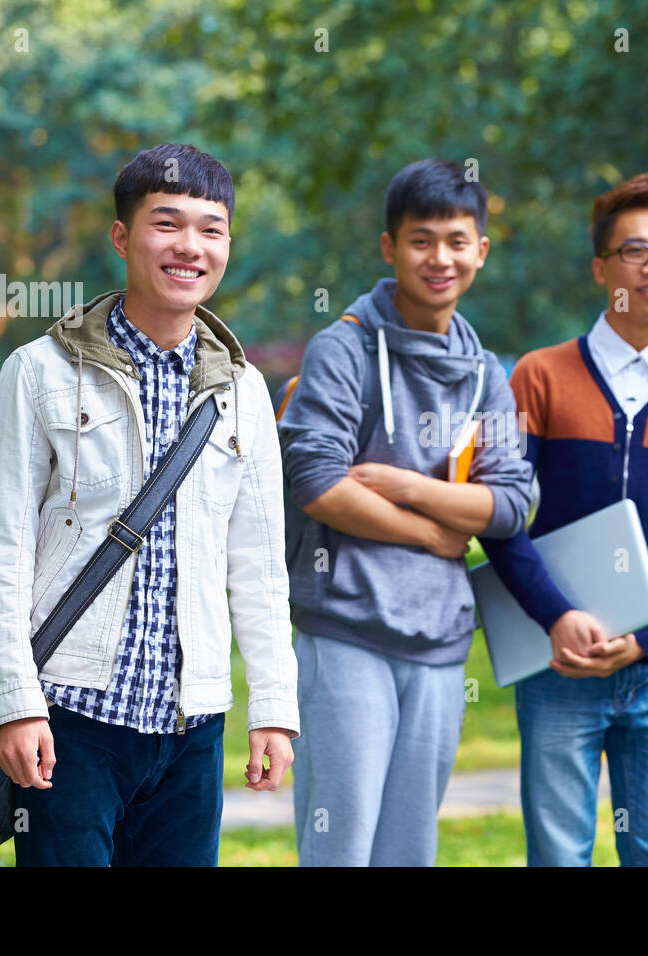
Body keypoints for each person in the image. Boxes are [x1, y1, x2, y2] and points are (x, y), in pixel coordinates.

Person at [0, 143, 298, 867]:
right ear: (123, 237)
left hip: (192, 729)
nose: (190, 247)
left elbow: (258, 567)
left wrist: (274, 711)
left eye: (211, 230)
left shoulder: (241, 391)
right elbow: (1, 554)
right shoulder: (40, 372)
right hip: (73, 718)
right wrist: (15, 703)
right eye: (167, 224)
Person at [277, 158, 533, 866]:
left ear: (481, 249)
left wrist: (404, 485)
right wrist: (435, 531)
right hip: (347, 632)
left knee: (408, 852)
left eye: (458, 240)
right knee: (341, 847)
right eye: (422, 240)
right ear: (390, 248)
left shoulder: (487, 373)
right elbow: (318, 481)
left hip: (441, 645)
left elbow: (513, 502)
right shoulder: (345, 348)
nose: (441, 257)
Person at [481, 172, 648, 866]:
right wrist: (556, 616)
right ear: (600, 267)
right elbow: (500, 518)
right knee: (559, 857)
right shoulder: (537, 376)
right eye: (635, 250)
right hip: (556, 660)